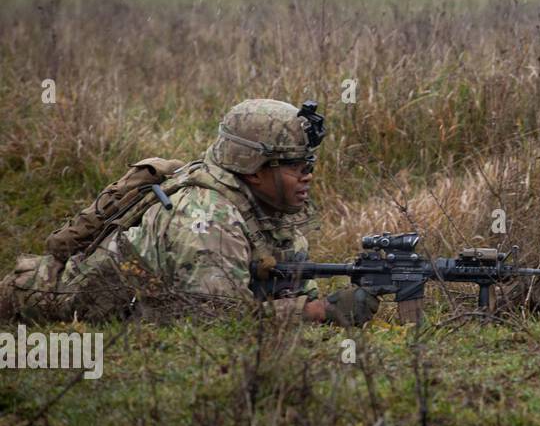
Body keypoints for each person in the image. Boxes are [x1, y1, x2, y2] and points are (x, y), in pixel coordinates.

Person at [0, 99, 377, 326]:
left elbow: (281, 291)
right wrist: (317, 312)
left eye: (309, 163)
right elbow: (214, 319)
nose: (309, 175)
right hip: (44, 298)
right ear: (255, 169)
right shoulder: (206, 218)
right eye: (296, 165)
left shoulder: (267, 207)